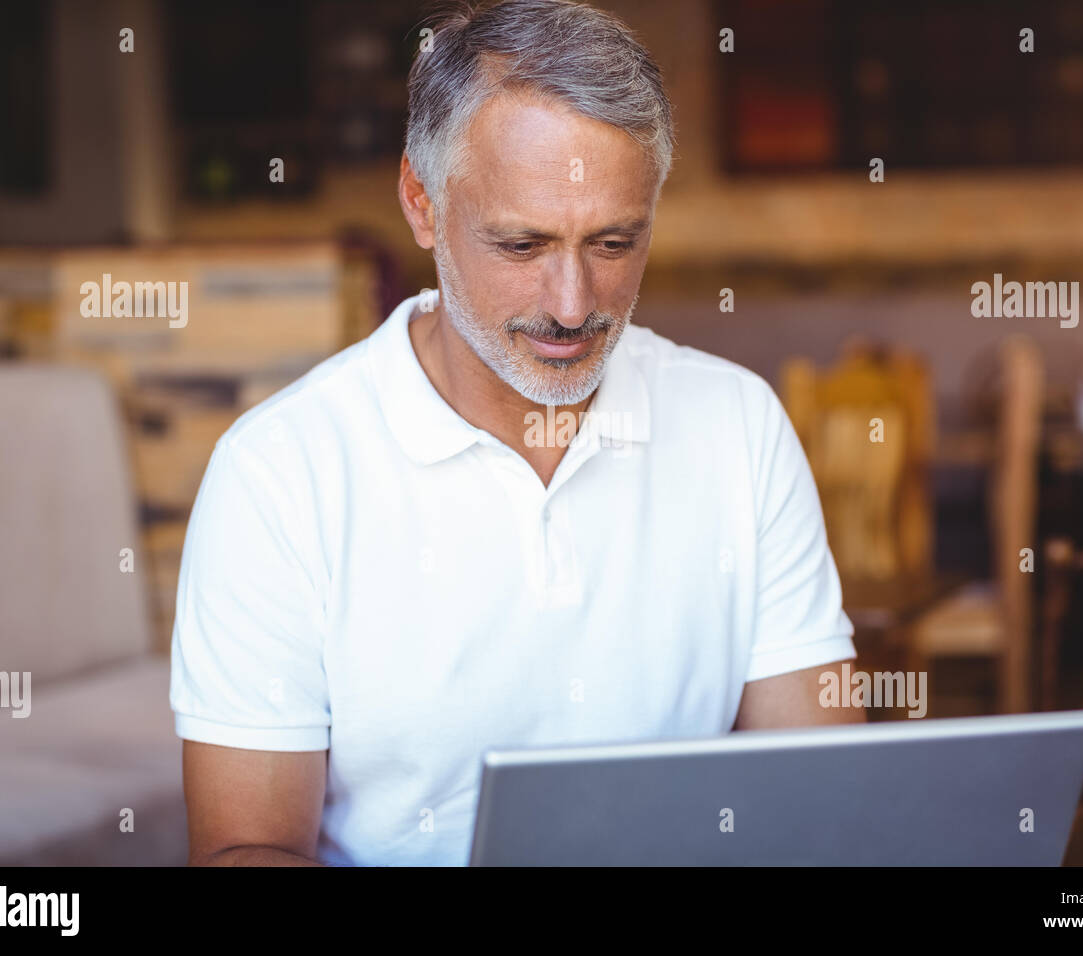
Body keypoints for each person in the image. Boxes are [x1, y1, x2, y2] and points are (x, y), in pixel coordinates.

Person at [172, 0, 861, 867]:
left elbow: (826, 799)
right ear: (422, 206)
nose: (573, 305)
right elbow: (243, 852)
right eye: (522, 245)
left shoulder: (739, 427)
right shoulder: (279, 473)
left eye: (614, 243)